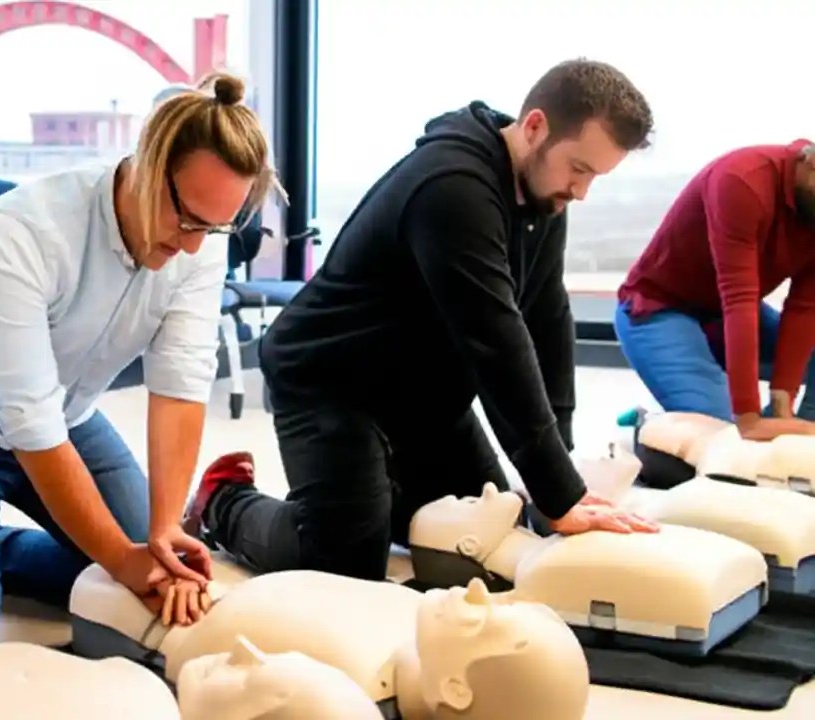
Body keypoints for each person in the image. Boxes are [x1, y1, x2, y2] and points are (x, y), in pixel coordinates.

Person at [180, 59, 660, 583]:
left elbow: (546, 319)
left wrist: (563, 474)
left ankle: (378, 499)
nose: (581, 191)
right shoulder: (454, 188)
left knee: (487, 543)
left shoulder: (542, 200)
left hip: (426, 396)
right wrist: (558, 494)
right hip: (335, 380)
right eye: (579, 169)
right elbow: (498, 345)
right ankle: (223, 500)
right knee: (344, 563)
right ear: (536, 127)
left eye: (595, 176)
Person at [0, 73, 282, 656]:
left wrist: (161, 533)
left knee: (153, 571)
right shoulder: (17, 232)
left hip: (69, 419)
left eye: (215, 227)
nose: (196, 246)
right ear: (148, 164)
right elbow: (29, 423)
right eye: (187, 220)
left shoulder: (200, 234)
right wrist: (120, 561)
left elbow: (180, 383)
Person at [615, 141, 815, 441]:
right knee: (719, 437)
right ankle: (648, 427)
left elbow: (804, 308)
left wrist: (781, 408)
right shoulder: (744, 178)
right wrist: (749, 419)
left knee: (760, 441)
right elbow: (739, 299)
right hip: (660, 308)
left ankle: (797, 448)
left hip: (723, 312)